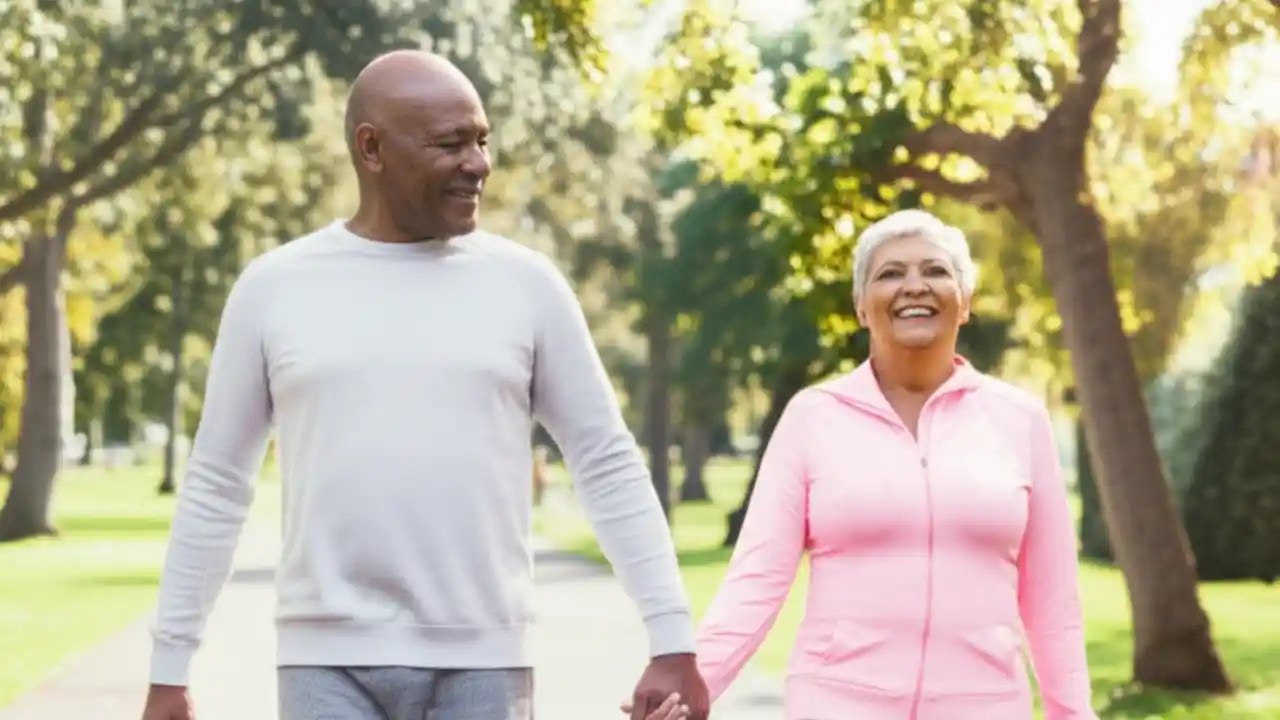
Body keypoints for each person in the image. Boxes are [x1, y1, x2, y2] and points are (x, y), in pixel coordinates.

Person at [140, 50, 709, 720]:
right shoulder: (273, 288)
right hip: (324, 662)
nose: (478, 164)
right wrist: (169, 668)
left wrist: (672, 636)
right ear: (371, 148)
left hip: (485, 664)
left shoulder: (527, 286)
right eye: (450, 144)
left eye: (482, 140)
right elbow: (216, 483)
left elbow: (606, 463)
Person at [689, 209, 1097, 719]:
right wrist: (693, 683)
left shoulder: (1019, 420)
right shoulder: (813, 417)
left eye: (935, 271)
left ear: (964, 302)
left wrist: (1073, 714)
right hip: (838, 703)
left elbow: (1052, 599)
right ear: (862, 307)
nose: (914, 286)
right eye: (890, 273)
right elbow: (757, 578)